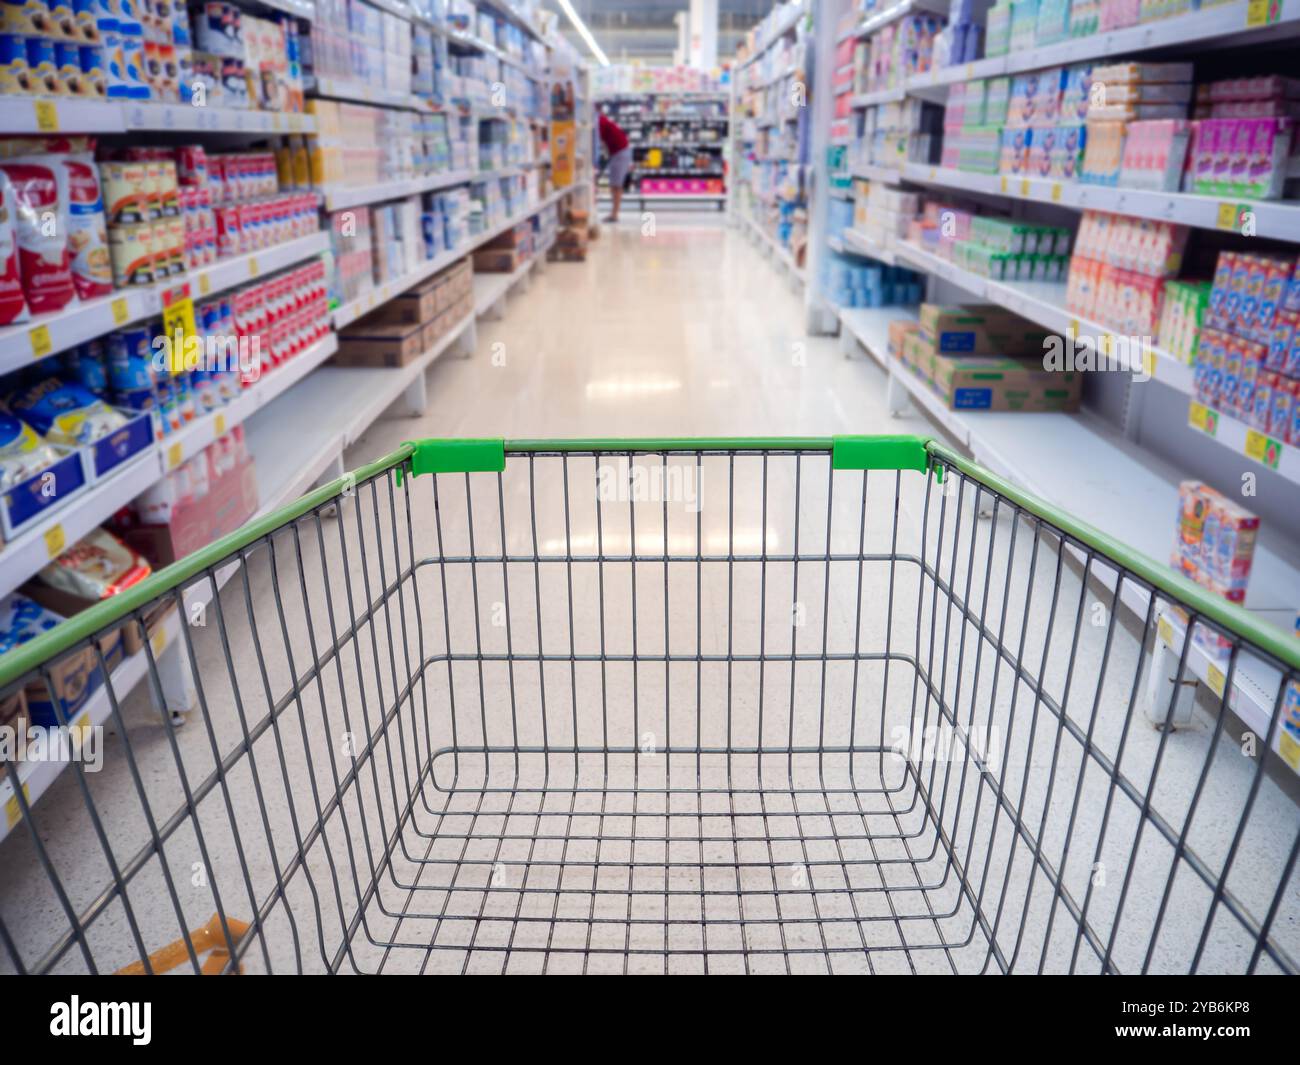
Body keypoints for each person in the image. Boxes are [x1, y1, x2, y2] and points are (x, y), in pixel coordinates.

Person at [598, 108, 632, 224]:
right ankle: (614, 213)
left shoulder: (600, 122)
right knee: (615, 185)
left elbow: (598, 142)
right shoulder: (603, 121)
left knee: (616, 185)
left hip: (620, 153)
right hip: (619, 152)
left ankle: (614, 214)